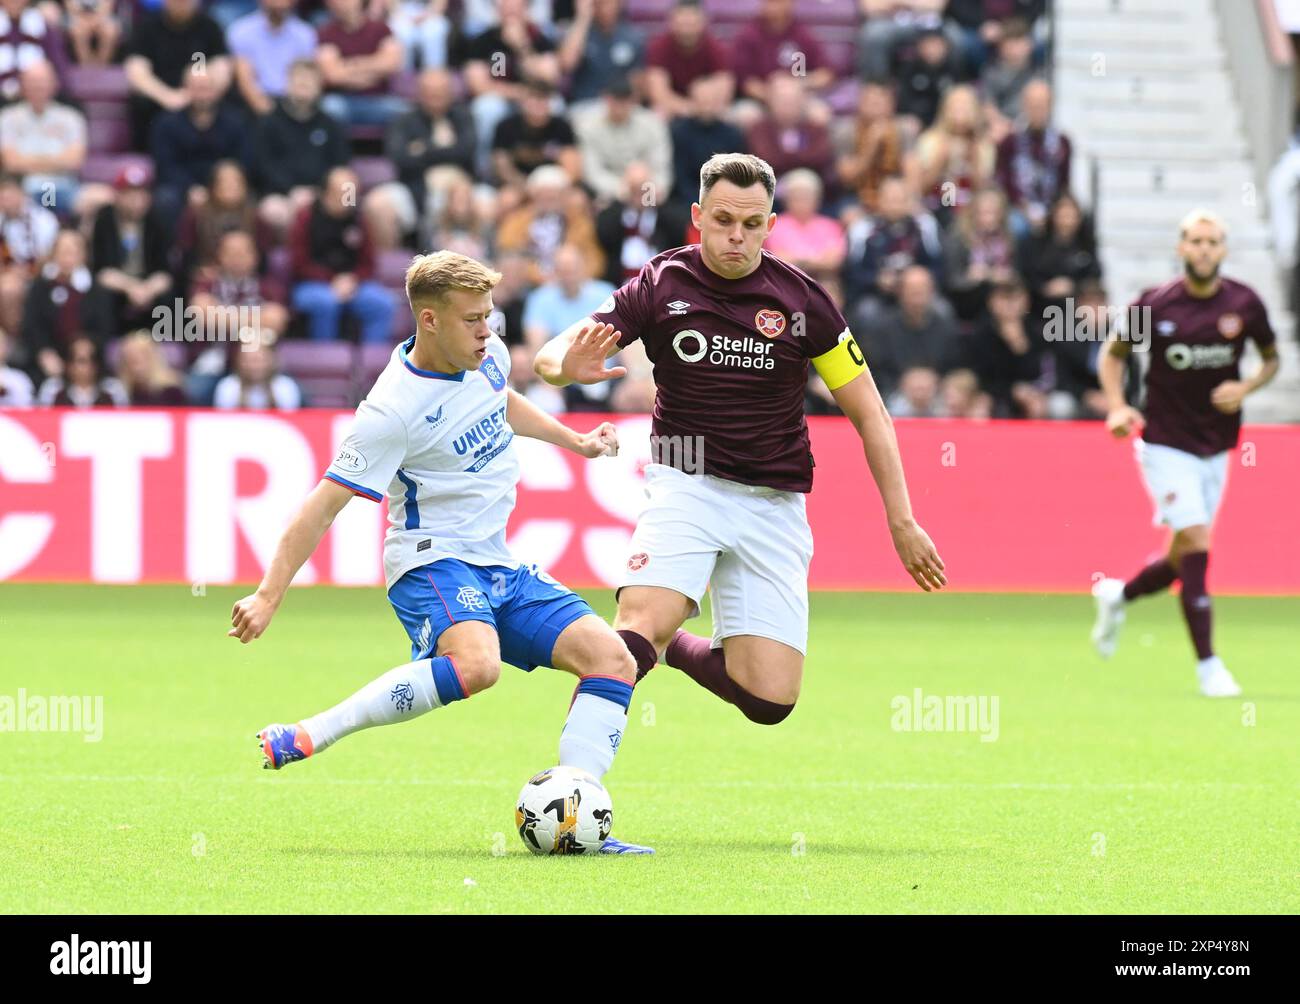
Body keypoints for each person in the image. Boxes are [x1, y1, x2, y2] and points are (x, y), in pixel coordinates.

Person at [228, 250, 653, 854]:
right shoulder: (390, 412)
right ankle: (312, 732)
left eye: (490, 317)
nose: (488, 331)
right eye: (472, 320)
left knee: (614, 661)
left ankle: (572, 818)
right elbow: (321, 505)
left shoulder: (489, 356)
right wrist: (268, 595)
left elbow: (501, 402)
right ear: (429, 320)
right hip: (430, 561)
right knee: (477, 666)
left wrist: (574, 441)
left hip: (498, 562)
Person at [534, 152, 945, 728]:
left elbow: (871, 413)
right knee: (631, 638)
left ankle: (677, 643)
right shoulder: (660, 283)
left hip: (773, 498)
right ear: (699, 216)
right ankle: (574, 782)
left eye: (752, 225)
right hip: (685, 481)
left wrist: (901, 521)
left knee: (768, 700)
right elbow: (554, 353)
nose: (737, 236)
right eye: (724, 220)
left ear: (771, 225)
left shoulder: (804, 302)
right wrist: (563, 369)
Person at [1091, 210, 1280, 698]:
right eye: (1194, 241)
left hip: (1217, 444)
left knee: (1182, 555)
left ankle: (1119, 595)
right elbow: (1112, 355)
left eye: (1212, 241)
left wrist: (1248, 385)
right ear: (1181, 248)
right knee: (1197, 541)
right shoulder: (1156, 305)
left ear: (1223, 250)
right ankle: (1208, 667)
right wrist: (1117, 407)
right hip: (1164, 443)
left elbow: (1272, 358)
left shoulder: (1245, 303)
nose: (1202, 249)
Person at [289, 166, 396, 343]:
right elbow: (299, 264)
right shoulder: (306, 217)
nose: (347, 197)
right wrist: (332, 280)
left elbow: (369, 264)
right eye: (342, 191)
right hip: (313, 284)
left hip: (353, 284)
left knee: (383, 304)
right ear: (325, 193)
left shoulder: (359, 219)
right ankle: (325, 362)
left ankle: (374, 364)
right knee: (326, 303)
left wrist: (352, 280)